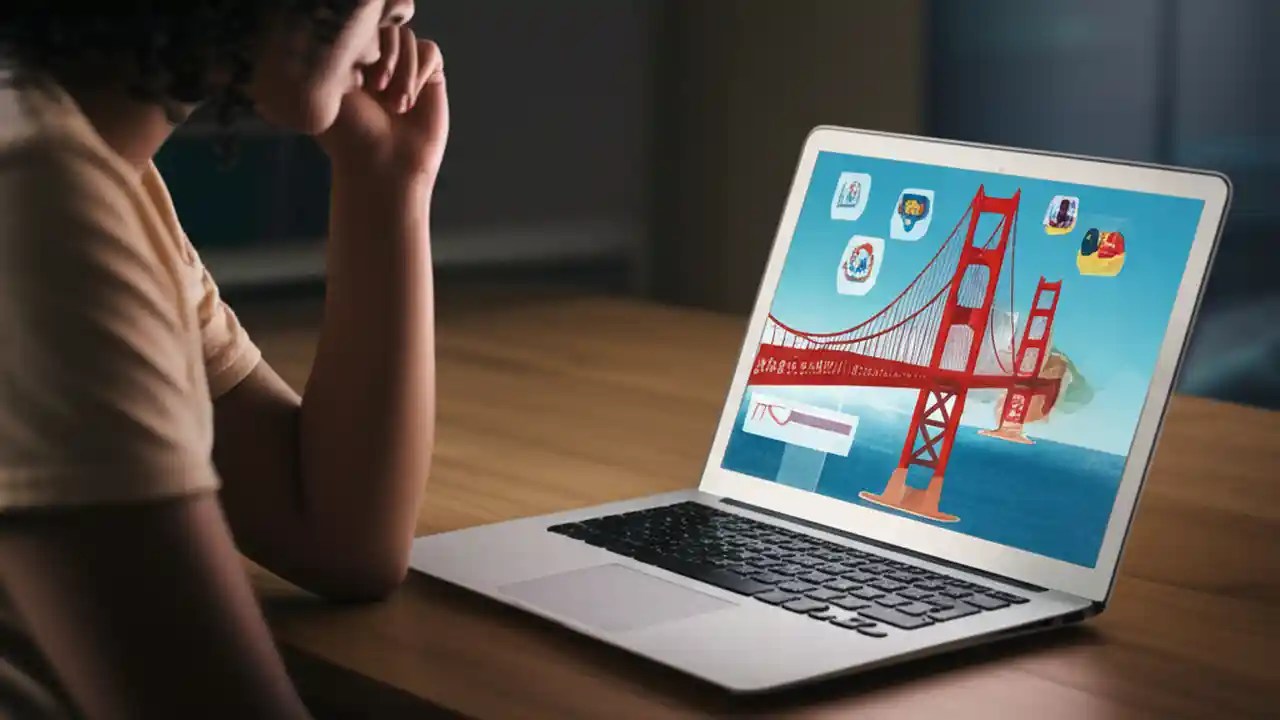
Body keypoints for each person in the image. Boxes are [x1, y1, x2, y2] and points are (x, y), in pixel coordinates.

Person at [0, 2, 445, 717]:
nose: (402, 6)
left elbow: (338, 538)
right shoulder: (35, 189)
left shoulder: (90, 164)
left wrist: (388, 179)